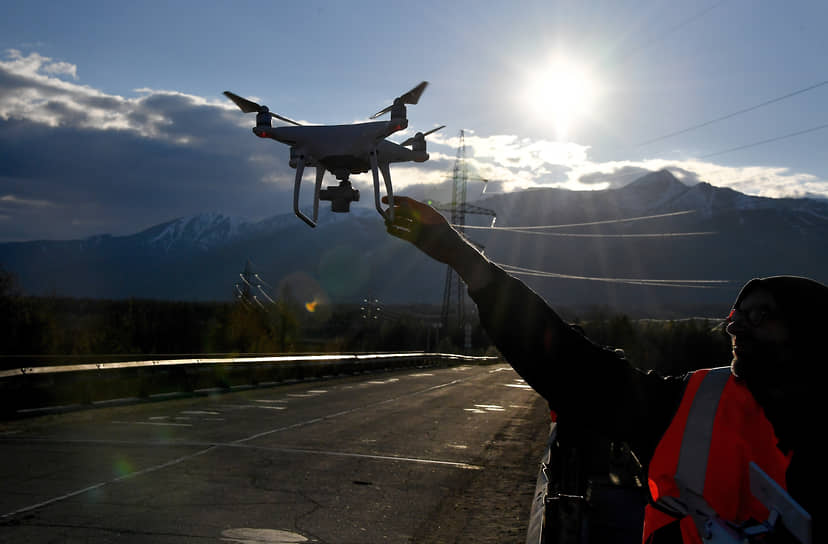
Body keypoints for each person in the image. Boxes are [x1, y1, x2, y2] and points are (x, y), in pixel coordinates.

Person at [383, 196, 822, 543]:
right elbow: (575, 367)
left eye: (760, 316)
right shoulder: (692, 402)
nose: (737, 327)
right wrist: (465, 260)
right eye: (734, 317)